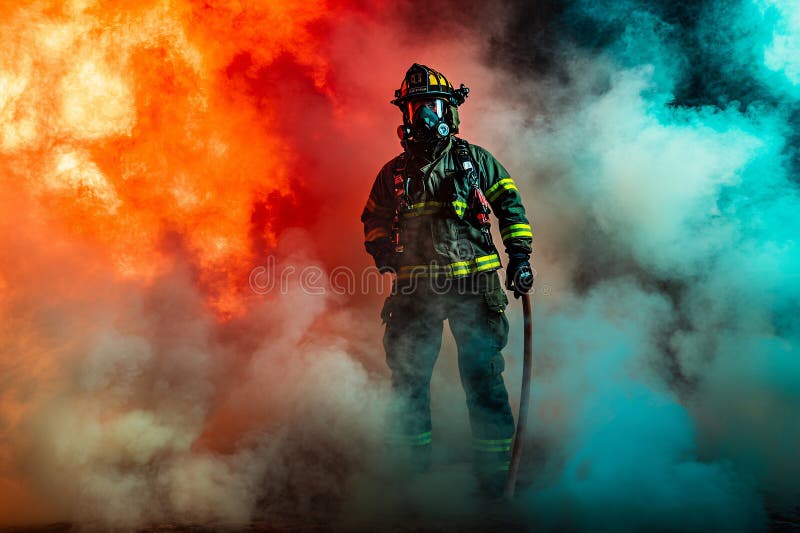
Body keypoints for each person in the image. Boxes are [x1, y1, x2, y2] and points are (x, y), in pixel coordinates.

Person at [360, 63, 534, 497]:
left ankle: (495, 480)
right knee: (408, 381)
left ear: (450, 110)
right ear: (405, 114)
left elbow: (510, 207)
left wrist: (520, 259)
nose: (424, 116)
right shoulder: (393, 173)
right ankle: (409, 478)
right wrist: (382, 251)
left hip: (474, 290)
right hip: (416, 293)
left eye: (432, 106)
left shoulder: (475, 162)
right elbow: (373, 219)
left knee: (483, 380)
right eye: (416, 107)